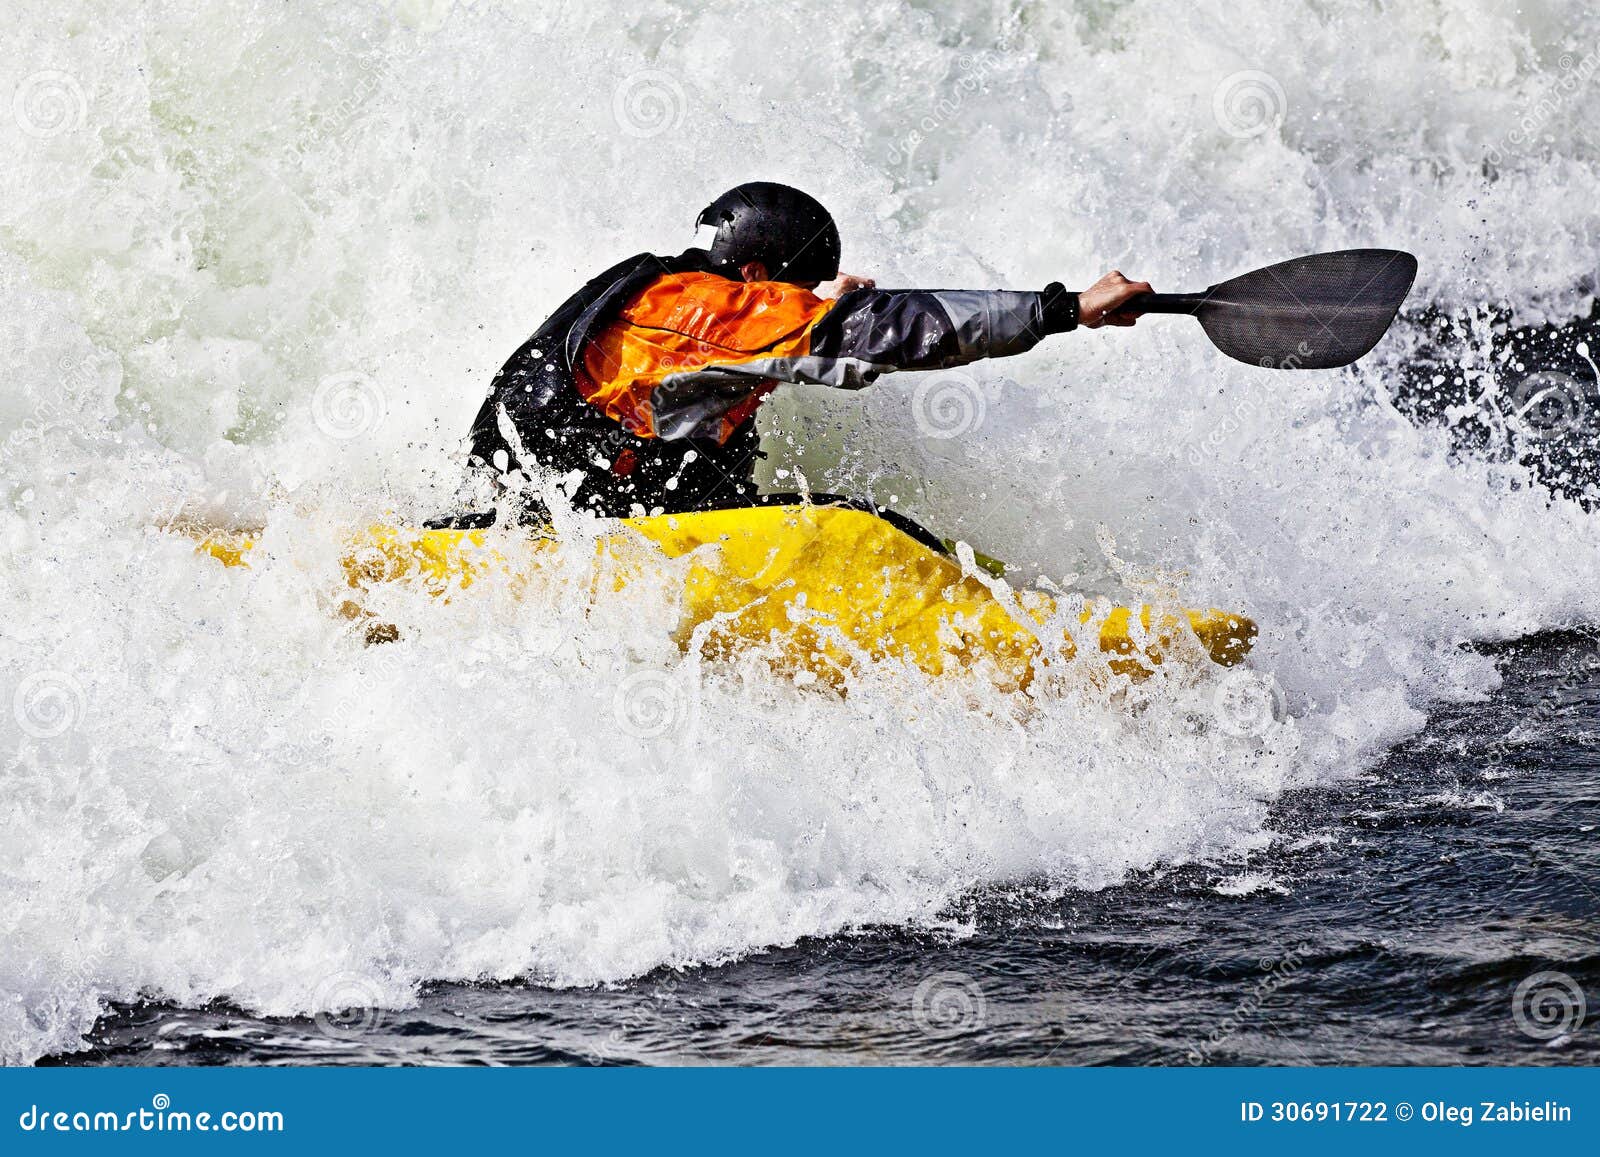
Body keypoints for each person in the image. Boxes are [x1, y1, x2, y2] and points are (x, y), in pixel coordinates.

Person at [458, 181, 1151, 527]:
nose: (811, 302)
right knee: (856, 524)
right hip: (549, 522)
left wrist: (820, 304)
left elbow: (798, 339)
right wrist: (1066, 308)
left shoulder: (694, 310)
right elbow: (888, 330)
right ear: (759, 279)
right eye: (803, 287)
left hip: (589, 506)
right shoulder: (704, 309)